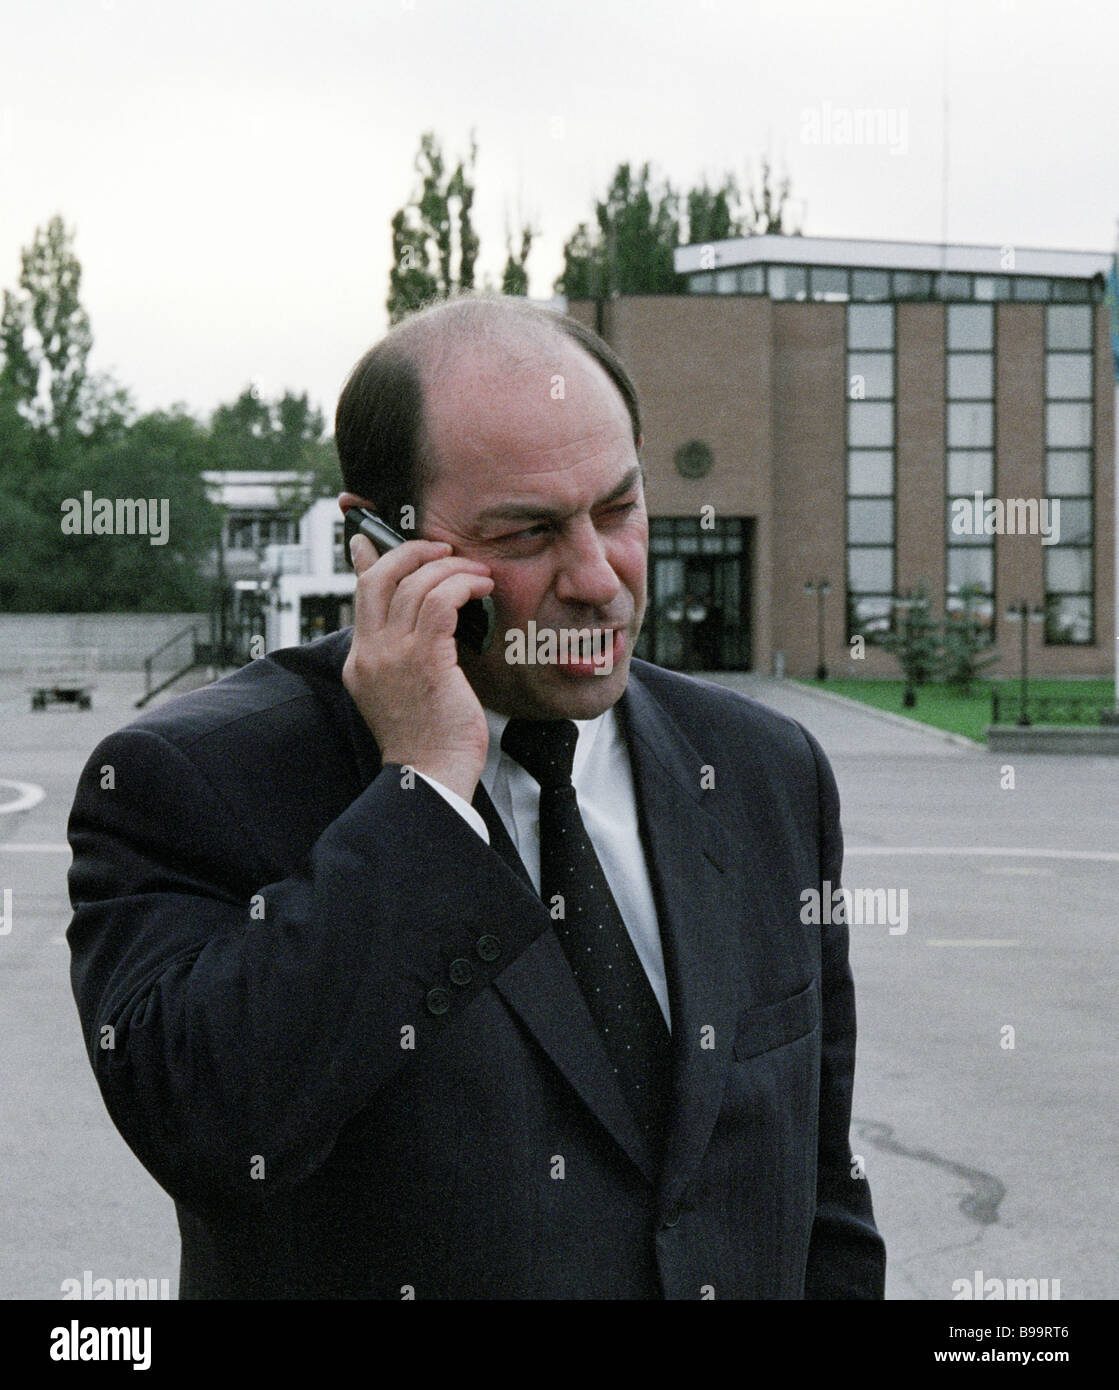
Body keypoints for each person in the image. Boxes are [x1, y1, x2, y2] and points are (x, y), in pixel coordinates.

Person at [66, 295, 885, 1299]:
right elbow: (216, 1133)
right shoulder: (192, 785)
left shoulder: (766, 772)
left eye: (619, 509)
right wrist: (423, 793)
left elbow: (822, 1200)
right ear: (376, 546)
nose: (599, 577)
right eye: (530, 534)